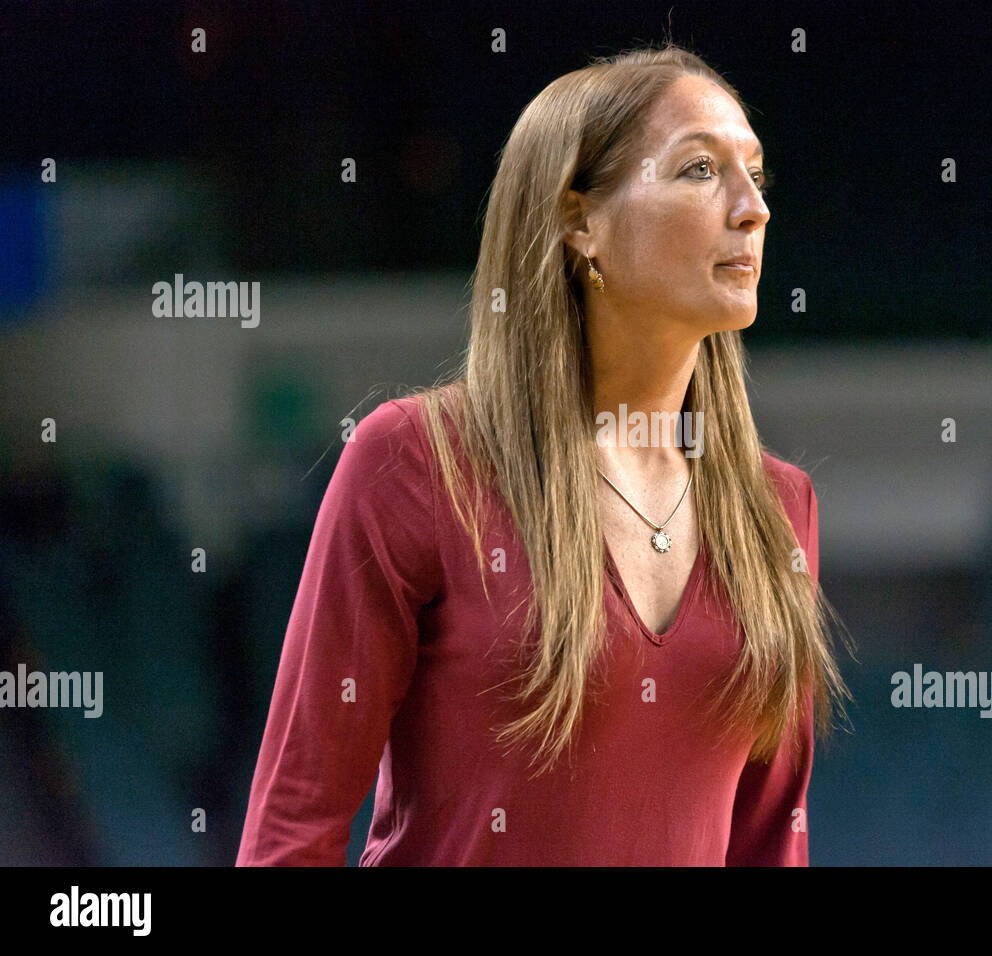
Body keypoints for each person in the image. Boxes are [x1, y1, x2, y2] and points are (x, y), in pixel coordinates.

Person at [235, 42, 853, 866]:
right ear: (579, 221)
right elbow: (292, 830)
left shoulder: (781, 510)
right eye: (701, 171)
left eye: (756, 174)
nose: (753, 209)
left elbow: (773, 841)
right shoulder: (415, 463)